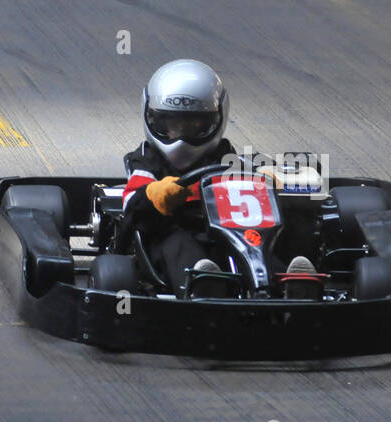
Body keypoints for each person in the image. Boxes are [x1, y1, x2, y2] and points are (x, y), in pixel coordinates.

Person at [121, 59, 316, 294]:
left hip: (229, 239)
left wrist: (270, 180)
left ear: (215, 120)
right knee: (177, 243)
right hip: (174, 237)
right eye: (172, 123)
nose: (181, 134)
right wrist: (153, 196)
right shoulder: (147, 161)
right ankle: (202, 286)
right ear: (154, 119)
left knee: (257, 242)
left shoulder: (228, 158)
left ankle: (291, 287)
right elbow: (131, 207)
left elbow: (306, 181)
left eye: (193, 124)